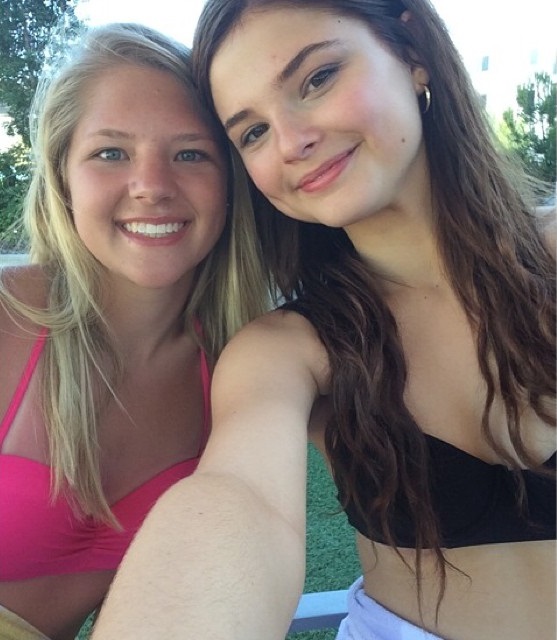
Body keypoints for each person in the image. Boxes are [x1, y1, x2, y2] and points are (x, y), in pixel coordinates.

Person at [90, 2, 556, 639]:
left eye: (318, 78)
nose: (291, 142)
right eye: (253, 132)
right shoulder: (290, 350)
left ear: (412, 53)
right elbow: (237, 499)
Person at [0, 21, 269, 640]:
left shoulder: (244, 367)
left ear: (232, 182)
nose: (151, 186)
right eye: (111, 153)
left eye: (191, 154)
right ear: (63, 176)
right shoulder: (7, 314)